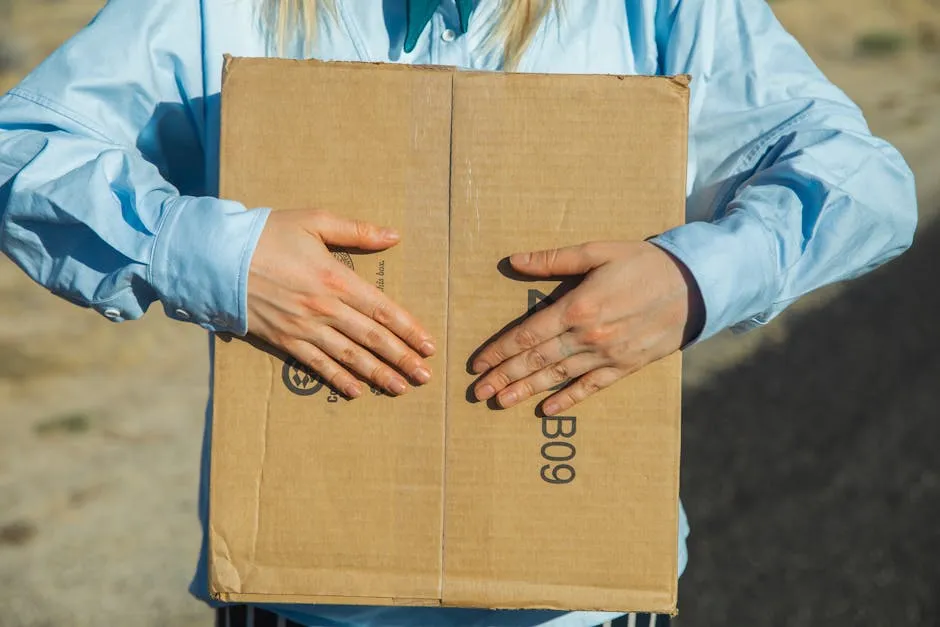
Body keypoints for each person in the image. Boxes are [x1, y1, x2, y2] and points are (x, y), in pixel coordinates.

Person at [0, 0, 917, 625]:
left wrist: (693, 280)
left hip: (576, 601)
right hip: (303, 597)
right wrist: (204, 253)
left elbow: (864, 182)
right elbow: (22, 149)